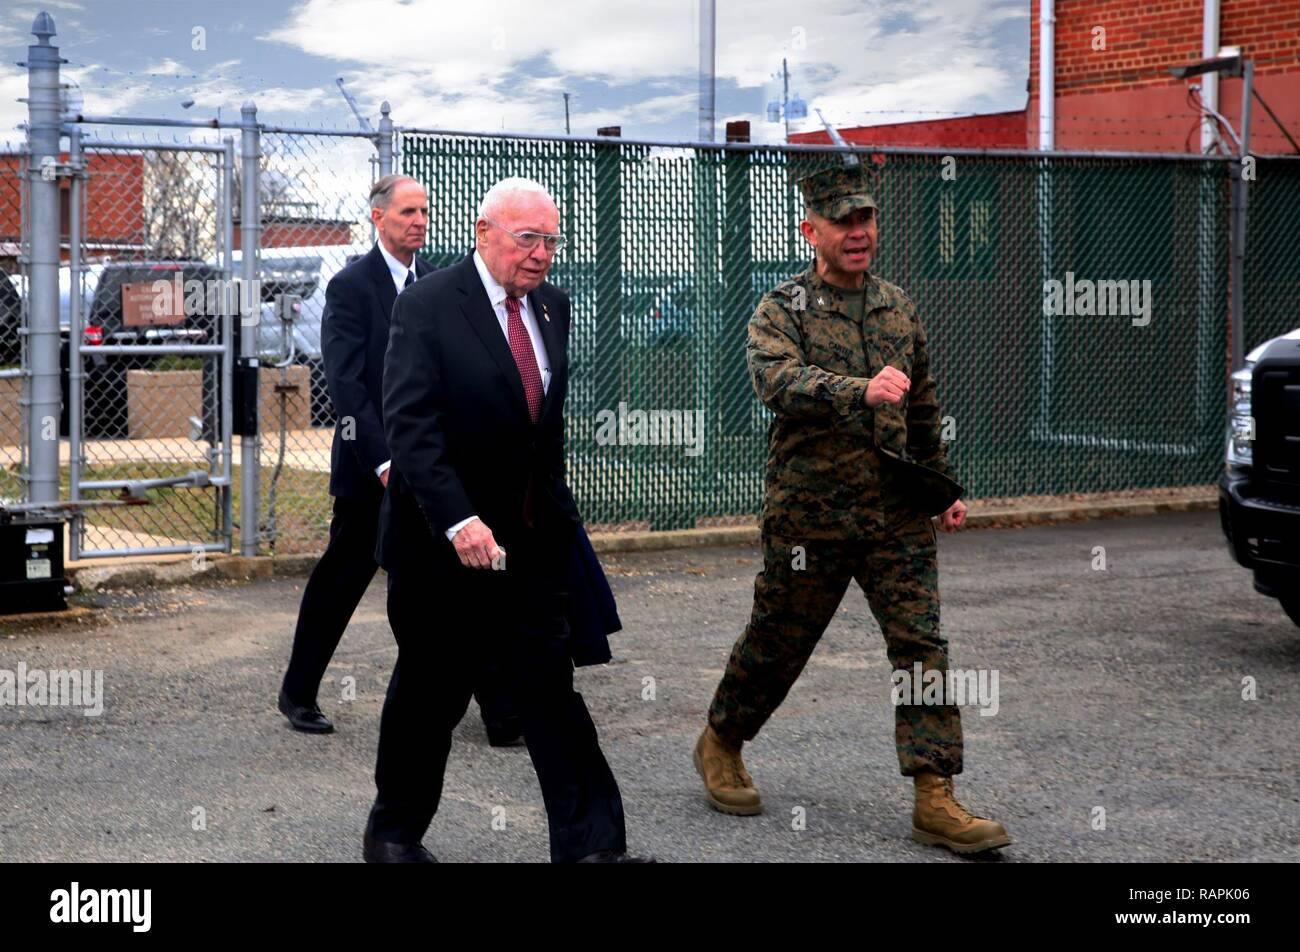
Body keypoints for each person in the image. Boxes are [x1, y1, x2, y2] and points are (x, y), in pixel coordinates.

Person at [692, 165, 1011, 856]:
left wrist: (944, 486)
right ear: (812, 231)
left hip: (896, 513)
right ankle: (721, 740)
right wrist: (856, 390)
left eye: (866, 220)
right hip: (812, 515)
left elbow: (923, 404)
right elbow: (776, 381)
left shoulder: (898, 307)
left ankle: (935, 794)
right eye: (844, 222)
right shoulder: (783, 308)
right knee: (779, 642)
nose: (859, 232)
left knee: (920, 645)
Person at [364, 176, 650, 863]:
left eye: (551, 239)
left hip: (527, 547)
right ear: (484, 232)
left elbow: (539, 436)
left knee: (551, 693)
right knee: (430, 695)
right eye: (528, 238)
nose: (543, 253)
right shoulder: (429, 306)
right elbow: (411, 428)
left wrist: (558, 522)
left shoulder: (552, 307)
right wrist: (459, 520)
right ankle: (393, 837)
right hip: (442, 546)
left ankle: (593, 851)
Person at [277, 174, 521, 746]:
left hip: (435, 473)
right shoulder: (351, 288)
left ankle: (499, 710)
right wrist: (384, 461)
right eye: (408, 211)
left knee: (460, 584)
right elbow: (345, 388)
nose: (419, 221)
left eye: (425, 211)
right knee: (342, 579)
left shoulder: (437, 285)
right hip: (374, 472)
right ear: (377, 217)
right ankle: (298, 690)